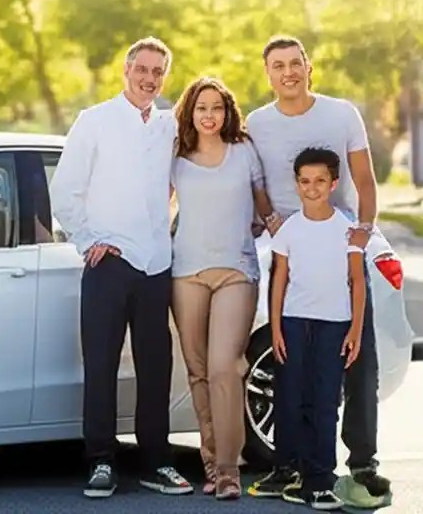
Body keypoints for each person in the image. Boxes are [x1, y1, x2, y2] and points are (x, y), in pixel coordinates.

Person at [244, 35, 395, 505]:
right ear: (267, 73)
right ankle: (289, 465)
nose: (287, 72)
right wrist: (270, 218)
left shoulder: (341, 114)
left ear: (308, 68)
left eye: (294, 63)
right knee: (289, 362)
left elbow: (365, 181)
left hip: (341, 249)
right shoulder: (258, 124)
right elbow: (255, 182)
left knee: (357, 360)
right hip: (288, 255)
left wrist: (364, 230)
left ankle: (363, 462)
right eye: (277, 66)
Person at [50, 37, 194, 499]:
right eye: (143, 70)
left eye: (158, 73)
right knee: (101, 365)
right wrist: (88, 241)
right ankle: (101, 462)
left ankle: (157, 462)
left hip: (156, 263)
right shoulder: (94, 122)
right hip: (108, 264)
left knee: (156, 367)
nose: (149, 79)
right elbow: (65, 190)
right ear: (126, 70)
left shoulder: (172, 127)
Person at [168, 76, 277, 500]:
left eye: (216, 107)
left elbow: (264, 207)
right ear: (190, 113)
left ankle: (230, 471)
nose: (209, 115)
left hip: (236, 270)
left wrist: (289, 233)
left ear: (227, 111)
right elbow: (154, 205)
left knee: (223, 368)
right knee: (197, 372)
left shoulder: (243, 151)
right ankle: (210, 463)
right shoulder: (175, 155)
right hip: (186, 272)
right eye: (201, 108)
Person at [250, 146, 366, 511]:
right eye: (304, 181)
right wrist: (277, 329)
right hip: (294, 325)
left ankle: (319, 480)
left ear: (333, 183)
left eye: (319, 181)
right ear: (297, 185)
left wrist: (356, 331)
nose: (311, 188)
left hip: (335, 326)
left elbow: (357, 283)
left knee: (325, 402)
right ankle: (287, 470)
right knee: (289, 398)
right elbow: (278, 281)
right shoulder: (288, 231)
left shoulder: (348, 231)